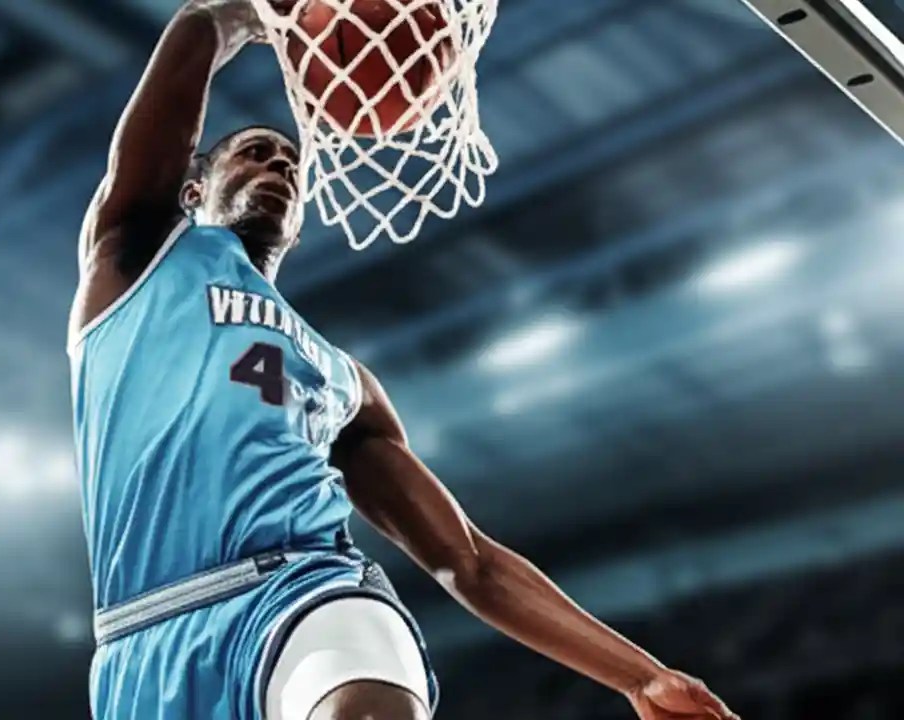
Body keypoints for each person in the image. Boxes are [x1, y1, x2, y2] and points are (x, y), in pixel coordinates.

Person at [68, 1, 740, 718]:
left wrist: (637, 676)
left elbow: (469, 563)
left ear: (299, 224)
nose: (279, 164)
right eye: (256, 152)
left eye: (292, 159)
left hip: (303, 595)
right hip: (139, 641)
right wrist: (253, 14)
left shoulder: (343, 381)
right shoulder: (137, 259)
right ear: (193, 189)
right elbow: (190, 45)